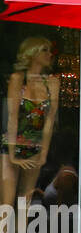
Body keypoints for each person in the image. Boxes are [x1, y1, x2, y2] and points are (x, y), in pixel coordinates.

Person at [3, 35, 60, 213]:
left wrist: (43, 153)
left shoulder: (52, 83)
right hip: (11, 143)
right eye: (44, 50)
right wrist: (13, 154)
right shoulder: (17, 79)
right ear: (32, 53)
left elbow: (50, 121)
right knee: (6, 201)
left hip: (34, 144)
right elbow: (12, 118)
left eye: (49, 50)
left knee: (25, 200)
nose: (49, 54)